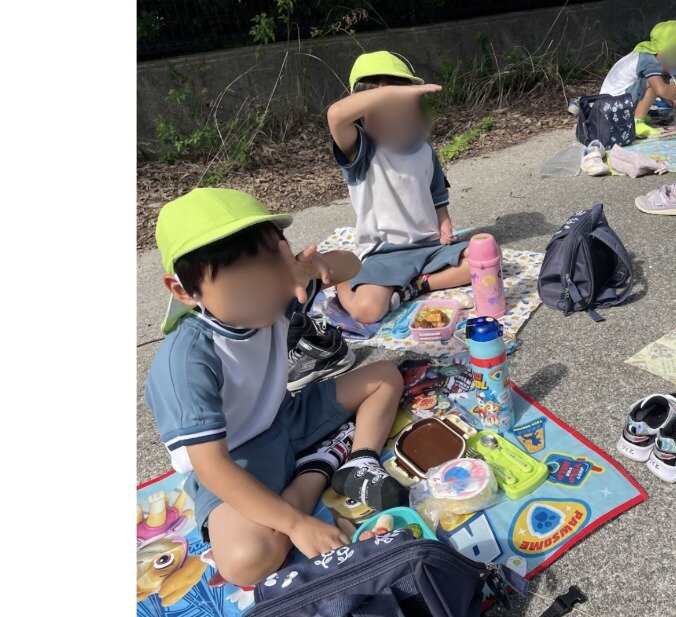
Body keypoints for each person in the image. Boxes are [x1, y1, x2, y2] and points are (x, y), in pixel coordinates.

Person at [144, 188, 406, 586]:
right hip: (238, 459)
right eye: (242, 289)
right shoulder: (186, 360)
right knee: (245, 561)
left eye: (272, 272)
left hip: (286, 416)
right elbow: (212, 466)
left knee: (385, 376)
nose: (265, 295)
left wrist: (313, 266)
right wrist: (297, 524)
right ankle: (319, 466)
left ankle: (359, 460)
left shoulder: (278, 293)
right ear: (183, 291)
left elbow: (351, 264)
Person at [327, 51, 471, 325]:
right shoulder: (360, 149)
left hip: (429, 247)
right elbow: (336, 116)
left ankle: (415, 286)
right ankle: (344, 281)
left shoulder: (423, 149)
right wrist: (391, 93)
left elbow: (437, 193)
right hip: (385, 254)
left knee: (484, 258)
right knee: (367, 312)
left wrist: (444, 222)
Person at [599, 20, 676, 138]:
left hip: (607, 104)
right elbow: (660, 89)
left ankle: (638, 114)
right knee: (655, 85)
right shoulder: (649, 61)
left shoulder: (644, 54)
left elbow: (650, 86)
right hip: (613, 107)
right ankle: (637, 122)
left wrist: (666, 97)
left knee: (654, 83)